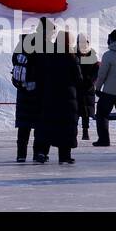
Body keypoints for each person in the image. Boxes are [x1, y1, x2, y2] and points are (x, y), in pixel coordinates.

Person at [33, 30, 81, 164]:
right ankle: (64, 155)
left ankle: (42, 152)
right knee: (66, 127)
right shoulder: (72, 57)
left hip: (49, 96)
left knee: (47, 125)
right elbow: (78, 79)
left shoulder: (48, 55)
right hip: (67, 98)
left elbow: (40, 75)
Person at [11, 23, 47, 162]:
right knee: (39, 125)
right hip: (38, 92)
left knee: (23, 125)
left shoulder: (21, 47)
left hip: (22, 90)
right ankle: (39, 153)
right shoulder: (41, 48)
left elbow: (14, 63)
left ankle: (21, 155)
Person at [75, 32, 99, 142]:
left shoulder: (92, 54)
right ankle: (74, 132)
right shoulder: (74, 54)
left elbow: (96, 72)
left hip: (87, 88)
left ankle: (85, 132)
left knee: (85, 112)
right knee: (75, 111)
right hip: (77, 87)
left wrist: (90, 82)